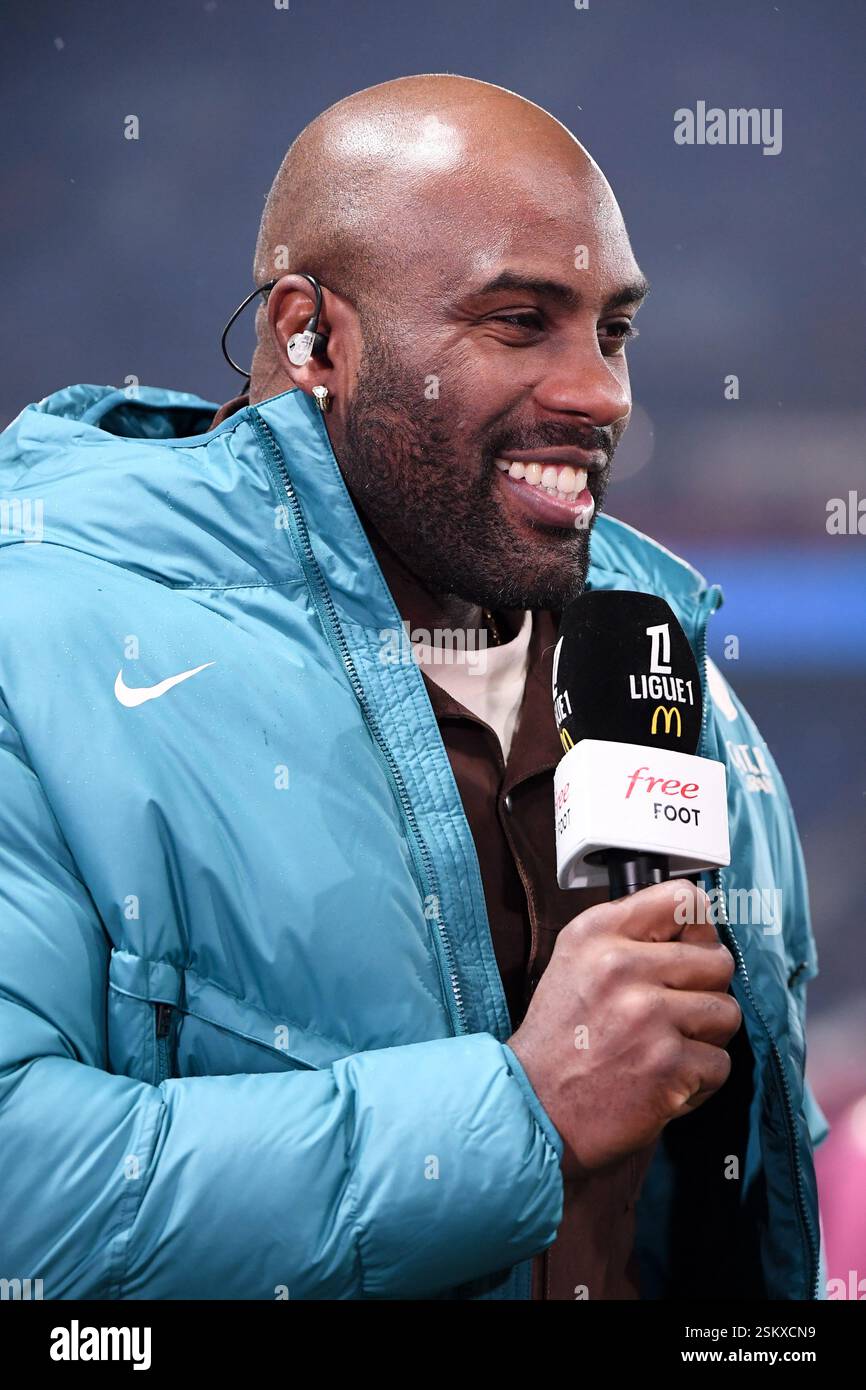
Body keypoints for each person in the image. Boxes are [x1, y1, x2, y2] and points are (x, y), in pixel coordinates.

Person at [0, 74, 828, 1300]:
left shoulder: (665, 665)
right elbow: (24, 1205)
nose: (600, 391)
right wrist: (515, 1116)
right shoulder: (45, 643)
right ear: (309, 335)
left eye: (611, 329)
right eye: (517, 321)